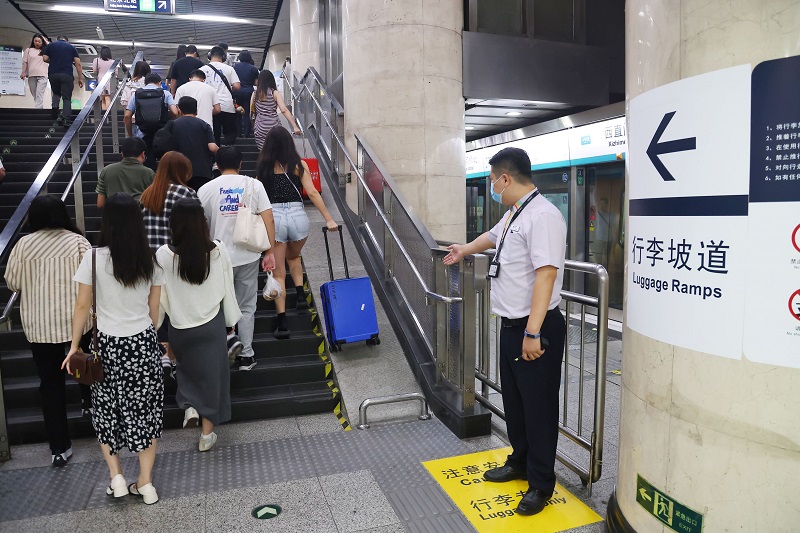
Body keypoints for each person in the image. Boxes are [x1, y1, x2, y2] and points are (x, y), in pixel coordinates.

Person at [442, 147, 567, 517]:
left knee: (539, 408)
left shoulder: (543, 216)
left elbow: (546, 274)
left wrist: (533, 332)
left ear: (506, 178)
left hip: (534, 329)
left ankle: (541, 483)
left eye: (493, 180)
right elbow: (491, 237)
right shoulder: (516, 212)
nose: (493, 186)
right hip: (512, 327)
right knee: (516, 403)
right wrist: (464, 249)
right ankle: (521, 462)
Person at [62, 193, 164, 505]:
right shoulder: (151, 259)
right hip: (142, 343)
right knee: (146, 412)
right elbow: (154, 310)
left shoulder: (92, 258)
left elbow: (82, 306)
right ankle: (145, 484)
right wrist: (143, 334)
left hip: (106, 347)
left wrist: (74, 346)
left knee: (107, 412)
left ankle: (116, 477)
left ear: (107, 222)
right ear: (137, 221)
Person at [4, 196, 92, 467]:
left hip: (40, 325)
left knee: (49, 385)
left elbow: (12, 282)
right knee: (86, 365)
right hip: (77, 320)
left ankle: (59, 447)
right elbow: (93, 278)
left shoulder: (23, 245)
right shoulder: (78, 242)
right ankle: (89, 404)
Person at [157, 199, 242, 451]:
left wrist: (158, 327)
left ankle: (190, 406)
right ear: (202, 223)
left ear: (174, 224)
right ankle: (206, 436)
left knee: (185, 370)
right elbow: (228, 288)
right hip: (211, 325)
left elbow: (160, 297)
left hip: (180, 327)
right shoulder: (218, 251)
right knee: (213, 380)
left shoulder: (163, 254)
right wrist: (231, 322)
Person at [198, 147, 276, 371]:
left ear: (217, 165)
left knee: (218, 306)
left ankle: (222, 353)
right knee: (246, 306)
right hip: (248, 255)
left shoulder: (205, 189)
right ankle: (247, 355)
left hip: (216, 257)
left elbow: (199, 224)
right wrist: (269, 251)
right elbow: (268, 219)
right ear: (241, 164)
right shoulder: (254, 185)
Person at [257, 126, 337, 338]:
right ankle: (300, 297)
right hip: (298, 216)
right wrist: (329, 219)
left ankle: (282, 322)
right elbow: (311, 192)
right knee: (294, 256)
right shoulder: (298, 165)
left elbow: (260, 198)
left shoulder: (264, 167)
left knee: (278, 272)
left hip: (274, 218)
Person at [124, 72, 178, 170]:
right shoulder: (165, 93)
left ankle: (149, 182)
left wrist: (130, 134)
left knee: (148, 164)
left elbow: (127, 116)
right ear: (159, 83)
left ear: (145, 83)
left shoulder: (137, 94)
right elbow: (174, 112)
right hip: (163, 133)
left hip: (143, 134)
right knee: (164, 162)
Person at [170, 96, 219, 190]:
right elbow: (212, 147)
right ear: (196, 109)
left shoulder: (173, 125)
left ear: (179, 109)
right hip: (202, 170)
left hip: (179, 169)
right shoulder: (204, 125)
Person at [96, 137, 155, 207]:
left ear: (122, 154)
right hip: (139, 215)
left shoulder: (106, 170)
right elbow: (155, 201)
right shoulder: (149, 173)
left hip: (113, 215)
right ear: (143, 154)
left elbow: (100, 203)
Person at [201, 46, 240, 146]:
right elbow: (236, 85)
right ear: (224, 56)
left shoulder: (202, 70)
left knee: (214, 135)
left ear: (209, 56)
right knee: (230, 133)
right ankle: (228, 152)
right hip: (227, 105)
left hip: (211, 107)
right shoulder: (229, 69)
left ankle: (215, 158)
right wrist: (228, 90)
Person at [252, 70, 300, 150]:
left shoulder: (254, 94)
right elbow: (284, 110)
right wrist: (295, 126)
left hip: (260, 126)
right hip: (274, 126)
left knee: (263, 152)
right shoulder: (275, 93)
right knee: (276, 151)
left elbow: (252, 112)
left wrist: (254, 126)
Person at [41, 36, 83, 126]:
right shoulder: (71, 47)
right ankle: (66, 120)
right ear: (67, 40)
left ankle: (55, 106)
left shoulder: (51, 45)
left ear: (58, 39)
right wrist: (80, 78)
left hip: (53, 74)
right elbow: (78, 64)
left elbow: (44, 58)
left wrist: (53, 61)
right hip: (66, 74)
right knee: (66, 98)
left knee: (56, 93)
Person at [233, 50, 258, 137]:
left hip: (237, 92)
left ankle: (238, 134)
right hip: (248, 93)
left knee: (237, 114)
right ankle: (247, 134)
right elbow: (256, 83)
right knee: (247, 113)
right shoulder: (253, 68)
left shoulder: (234, 67)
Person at [20, 33, 48, 109]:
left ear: (42, 42)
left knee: (39, 94)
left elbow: (52, 48)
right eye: (35, 41)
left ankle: (38, 111)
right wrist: (23, 72)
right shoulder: (28, 50)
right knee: (35, 94)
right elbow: (25, 62)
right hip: (31, 75)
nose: (37, 43)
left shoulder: (46, 51)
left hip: (43, 75)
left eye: (39, 41)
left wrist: (45, 40)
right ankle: (39, 109)